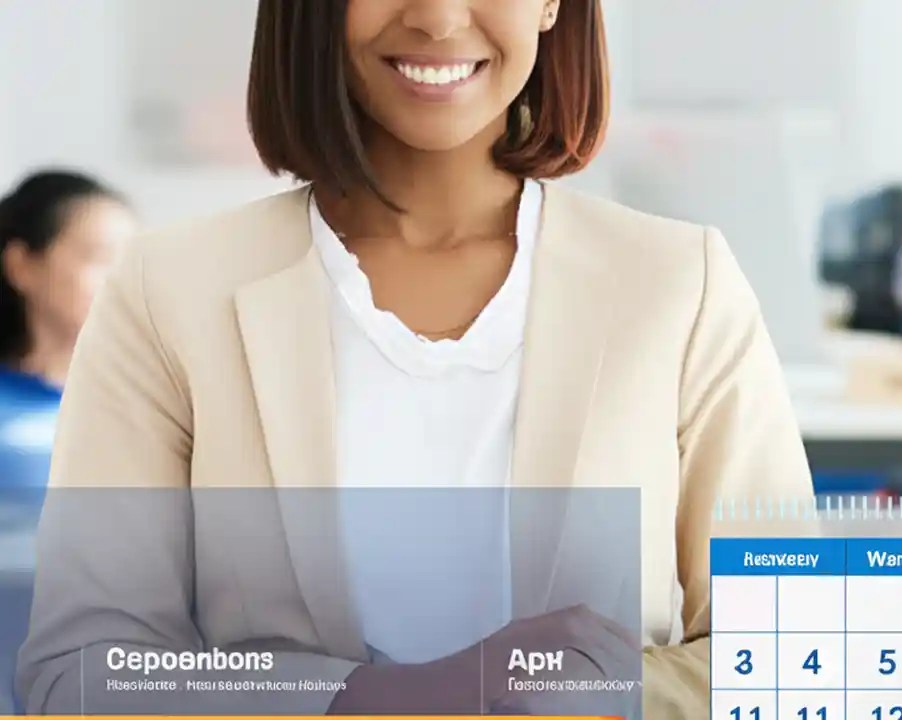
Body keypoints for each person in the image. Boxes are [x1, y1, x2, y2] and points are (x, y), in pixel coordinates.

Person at [16, 1, 812, 718]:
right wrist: (381, 698)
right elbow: (78, 673)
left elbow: (800, 652)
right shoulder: (169, 292)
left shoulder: (679, 284)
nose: (436, 17)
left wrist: (615, 692)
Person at [0, 171, 135, 491]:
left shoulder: (148, 408)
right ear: (21, 266)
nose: (122, 281)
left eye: (130, 261)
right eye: (100, 258)